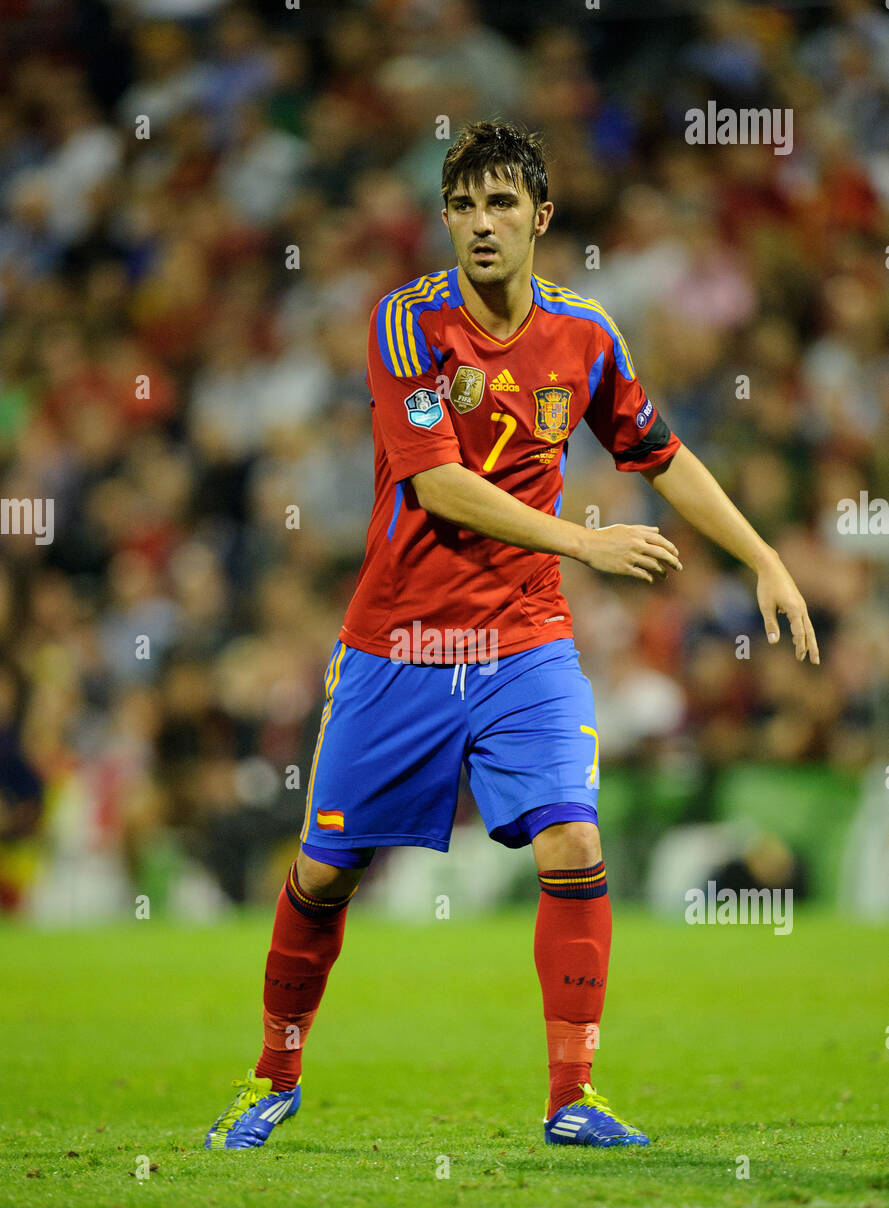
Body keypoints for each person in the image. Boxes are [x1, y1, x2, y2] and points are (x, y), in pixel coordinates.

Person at [205, 121, 818, 1151]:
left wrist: (761, 554)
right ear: (445, 219)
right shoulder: (407, 324)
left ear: (540, 217)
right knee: (323, 873)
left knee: (573, 840)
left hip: (524, 643)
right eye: (461, 205)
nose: (480, 224)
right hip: (398, 647)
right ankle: (272, 1074)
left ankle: (571, 1097)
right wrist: (584, 541)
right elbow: (438, 484)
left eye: (500, 204)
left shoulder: (586, 335)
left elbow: (661, 455)